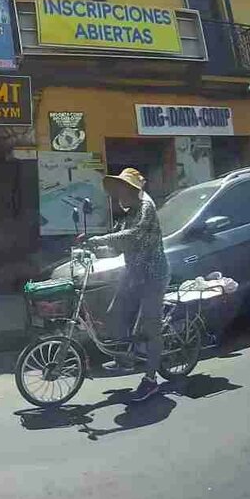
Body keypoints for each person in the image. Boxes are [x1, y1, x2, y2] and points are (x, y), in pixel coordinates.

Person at [81, 167, 169, 403]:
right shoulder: (130, 212)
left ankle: (151, 380)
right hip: (134, 273)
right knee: (114, 313)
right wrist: (92, 247)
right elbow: (118, 243)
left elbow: (133, 235)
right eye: (117, 189)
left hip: (153, 274)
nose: (118, 194)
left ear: (132, 189)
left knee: (151, 328)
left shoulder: (145, 208)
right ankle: (125, 359)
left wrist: (102, 239)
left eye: (122, 189)